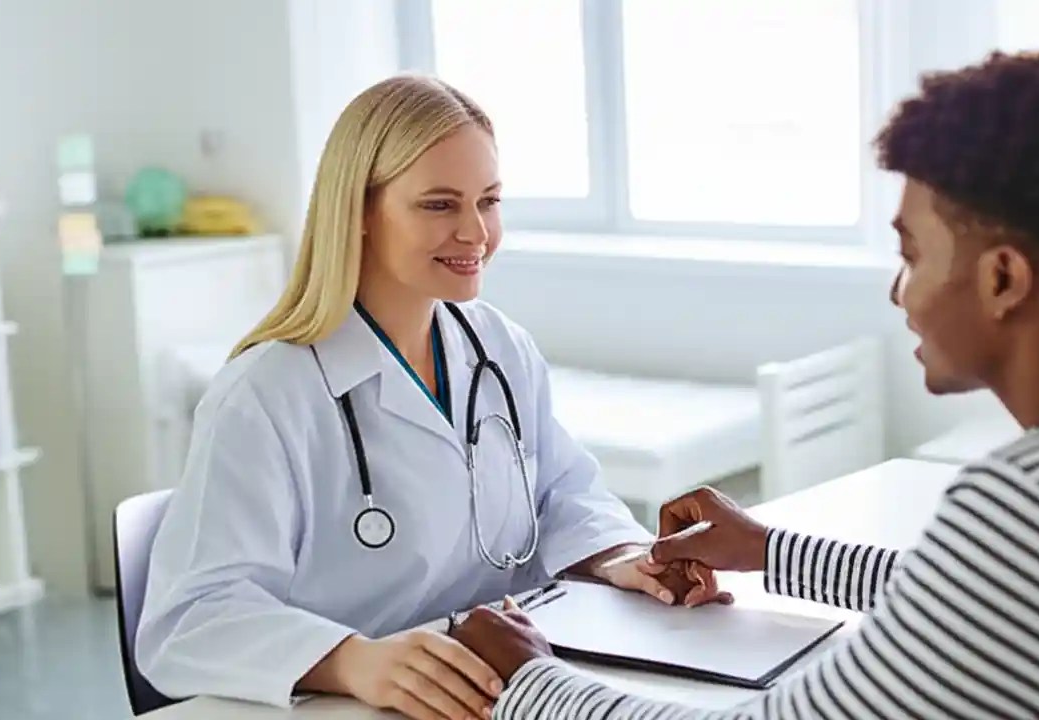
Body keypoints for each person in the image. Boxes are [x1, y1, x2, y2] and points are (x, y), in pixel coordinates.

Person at [449, 50, 1039, 718]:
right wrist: (769, 549)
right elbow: (980, 597)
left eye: (912, 255)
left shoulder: (1038, 510)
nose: (900, 292)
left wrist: (526, 678)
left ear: (1002, 278)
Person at [136, 75, 725, 720]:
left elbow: (560, 495)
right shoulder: (265, 395)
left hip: (504, 688)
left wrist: (625, 559)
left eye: (489, 201)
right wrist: (353, 660)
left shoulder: (499, 346)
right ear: (359, 211)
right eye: (440, 205)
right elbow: (190, 618)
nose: (476, 232)